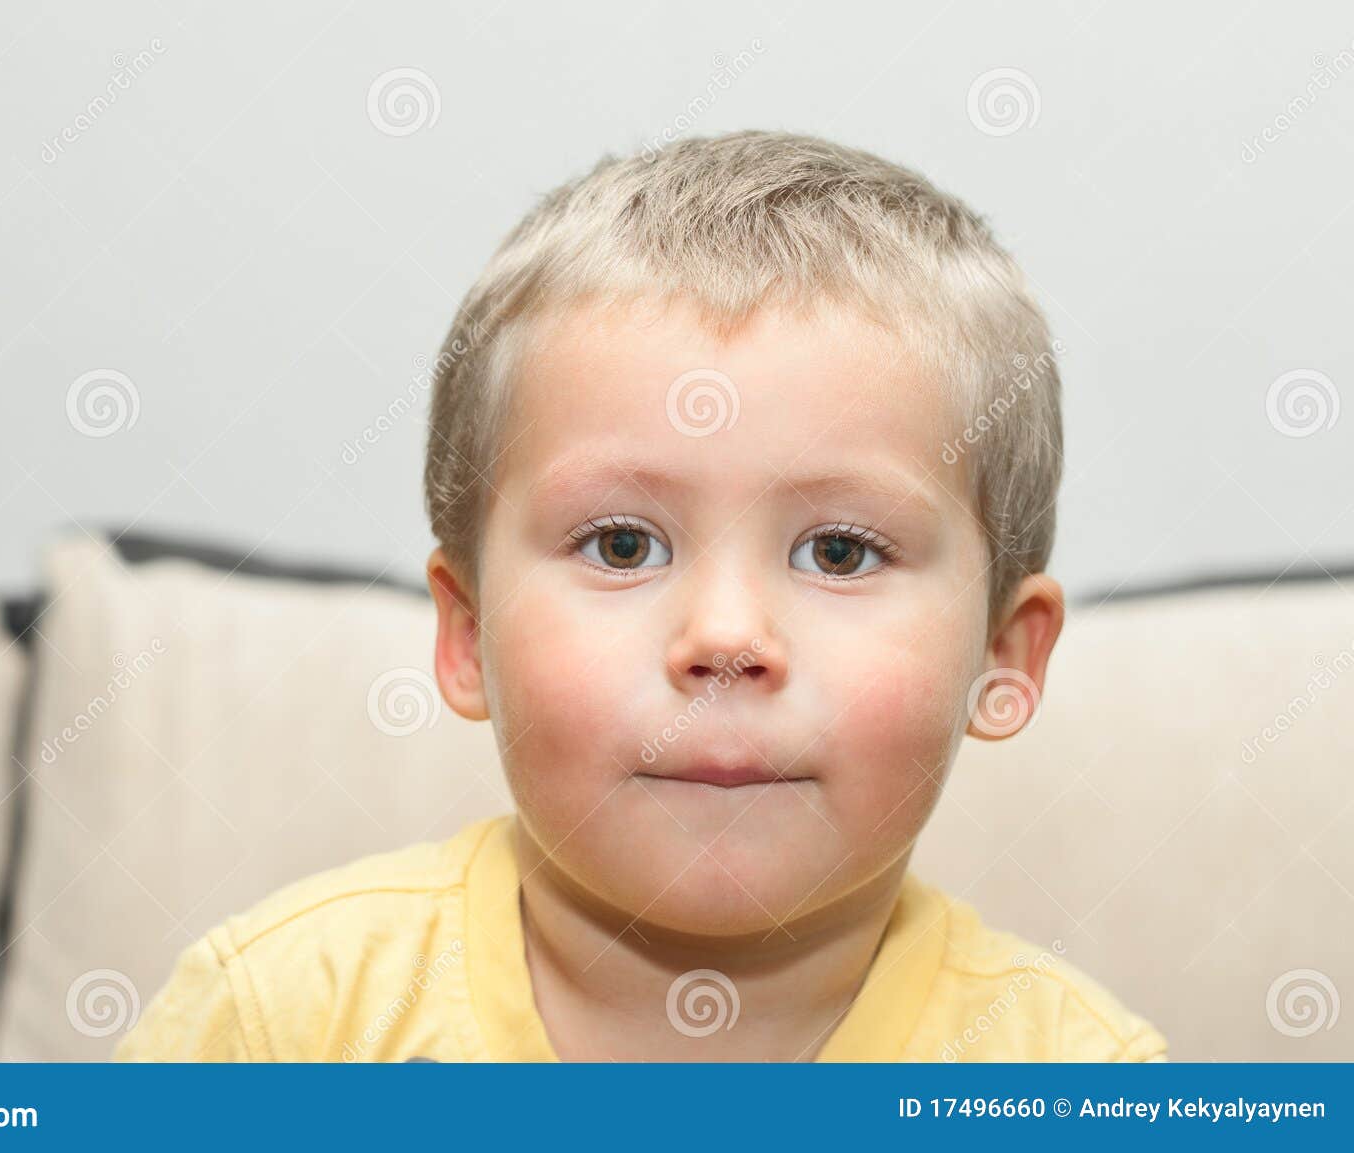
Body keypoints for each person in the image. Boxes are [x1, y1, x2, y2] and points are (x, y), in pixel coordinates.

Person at [115, 129, 1167, 1062]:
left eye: (840, 553)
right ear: (468, 633)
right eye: (622, 543)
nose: (723, 637)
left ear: (1002, 656)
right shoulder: (283, 1028)